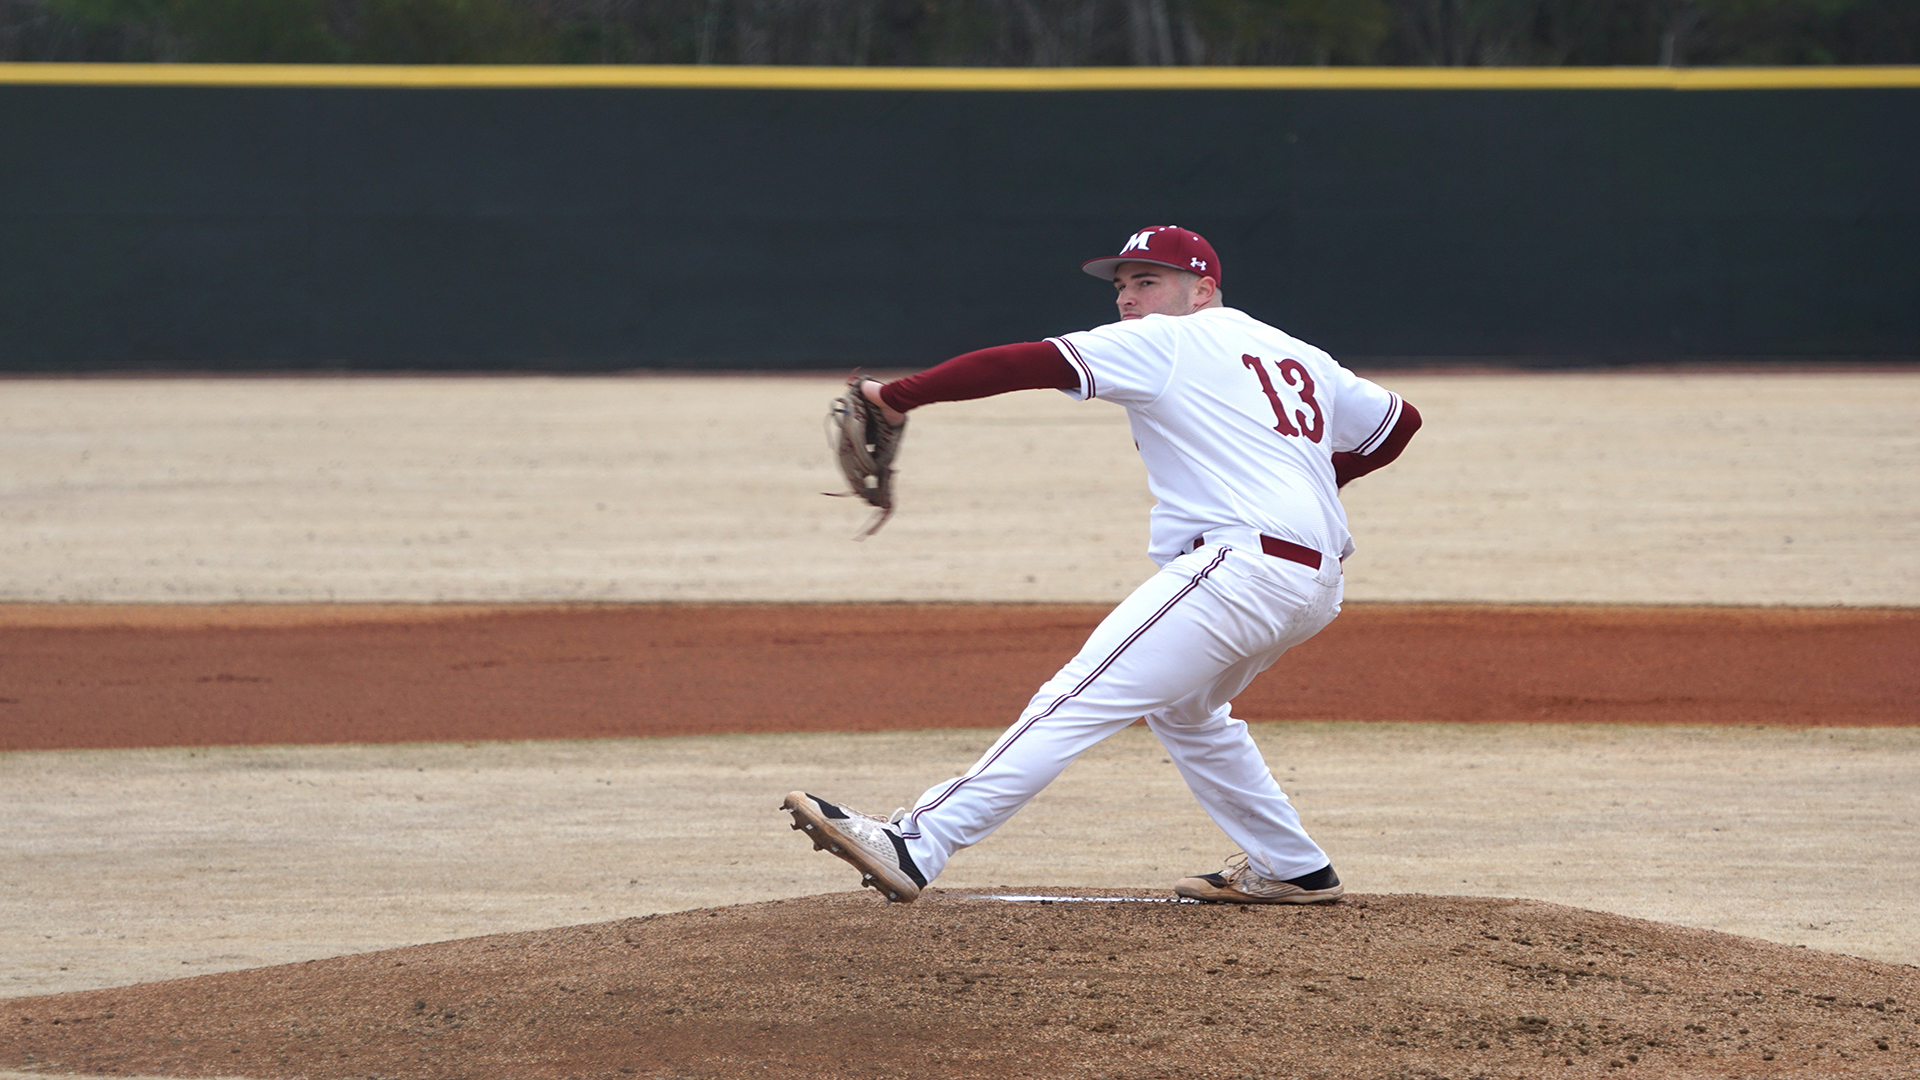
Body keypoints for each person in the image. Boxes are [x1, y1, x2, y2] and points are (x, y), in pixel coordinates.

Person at [783, 225, 1422, 904]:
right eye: (1120, 285)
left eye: (1147, 281)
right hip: (1313, 581)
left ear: (1202, 290)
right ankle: (1292, 864)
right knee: (1187, 713)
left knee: (1075, 697)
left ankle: (919, 841)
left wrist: (898, 395)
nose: (1127, 298)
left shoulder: (1167, 340)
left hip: (1240, 570)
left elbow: (1025, 363)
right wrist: (1312, 490)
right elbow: (1398, 422)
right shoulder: (1296, 353)